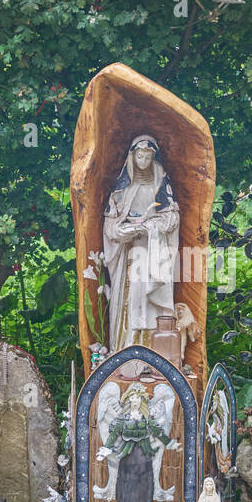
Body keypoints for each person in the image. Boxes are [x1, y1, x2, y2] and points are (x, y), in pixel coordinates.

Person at [101, 135, 180, 355]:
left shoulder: (160, 186)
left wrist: (152, 226)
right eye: (140, 156)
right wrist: (129, 229)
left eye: (148, 156)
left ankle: (154, 353)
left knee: (150, 305)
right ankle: (127, 350)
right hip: (130, 254)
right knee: (130, 300)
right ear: (132, 157)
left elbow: (172, 218)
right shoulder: (122, 191)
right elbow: (111, 227)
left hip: (153, 254)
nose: (144, 161)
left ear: (154, 158)